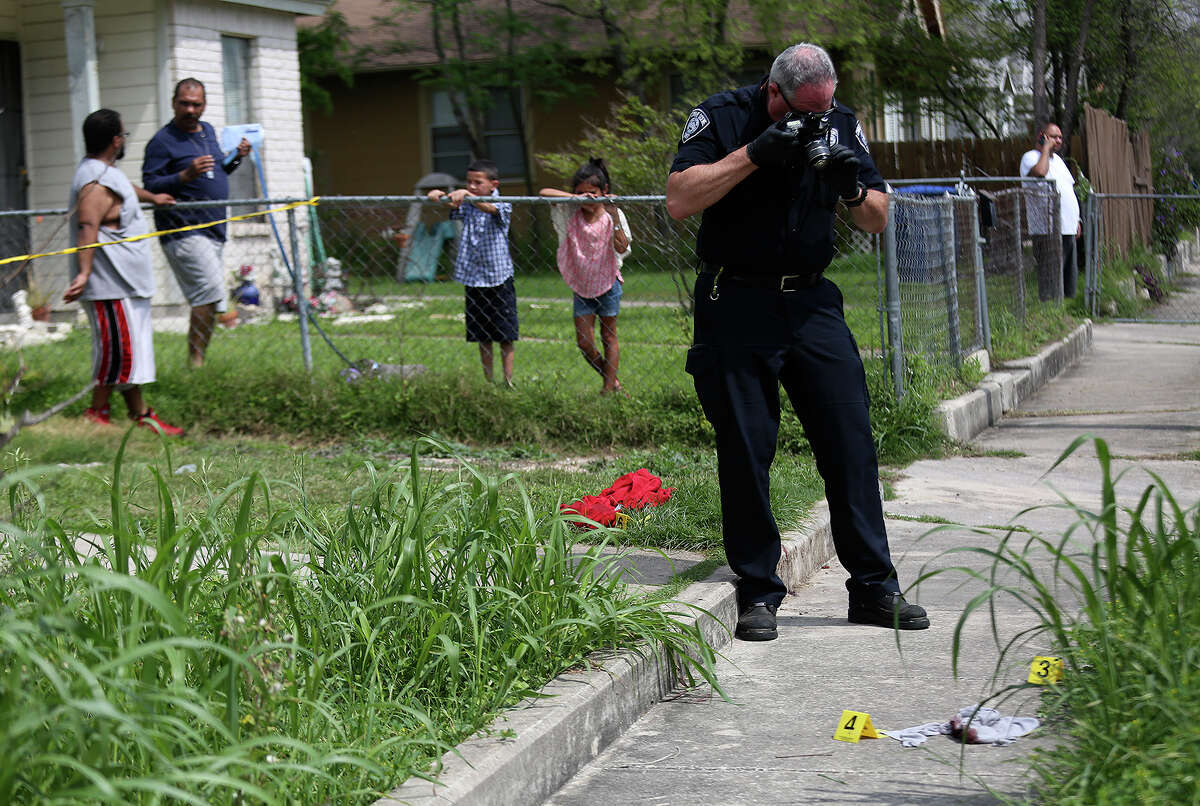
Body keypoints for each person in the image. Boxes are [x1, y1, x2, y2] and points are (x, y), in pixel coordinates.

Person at [667, 42, 929, 641]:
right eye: (805, 111)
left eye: (825, 107)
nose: (817, 119)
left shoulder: (840, 121)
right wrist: (754, 155)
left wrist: (851, 189)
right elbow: (679, 198)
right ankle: (759, 591)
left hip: (811, 302)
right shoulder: (724, 115)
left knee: (850, 441)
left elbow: (879, 218)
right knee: (746, 447)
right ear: (774, 91)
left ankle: (873, 587)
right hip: (735, 300)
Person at [63, 108, 184, 436]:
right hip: (109, 284)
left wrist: (152, 197)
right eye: (124, 135)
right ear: (116, 140)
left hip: (126, 285)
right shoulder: (94, 181)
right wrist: (84, 274)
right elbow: (88, 224)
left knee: (129, 353)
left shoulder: (104, 173)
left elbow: (125, 189)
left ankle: (140, 416)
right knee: (116, 352)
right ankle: (96, 413)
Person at [142, 78, 252, 368]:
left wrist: (236, 159)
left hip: (214, 229)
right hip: (183, 228)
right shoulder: (162, 142)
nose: (191, 109)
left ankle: (199, 361)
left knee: (212, 298)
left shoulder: (208, 132)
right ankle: (196, 361)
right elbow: (150, 185)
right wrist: (184, 176)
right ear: (173, 103)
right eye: (185, 103)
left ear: (204, 105)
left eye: (197, 104)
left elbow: (218, 172)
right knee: (210, 292)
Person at [539, 158, 632, 393]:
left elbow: (622, 248)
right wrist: (575, 199)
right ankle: (614, 383)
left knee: (609, 337)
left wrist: (613, 215)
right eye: (581, 193)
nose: (587, 199)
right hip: (581, 286)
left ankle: (608, 388)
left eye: (592, 193)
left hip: (609, 283)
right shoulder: (570, 213)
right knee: (585, 343)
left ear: (604, 191)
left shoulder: (613, 213)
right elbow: (544, 192)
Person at [427, 159, 518, 385]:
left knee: (505, 335)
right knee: (482, 335)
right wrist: (439, 196)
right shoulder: (467, 202)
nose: (472, 186)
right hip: (474, 278)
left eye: (478, 182)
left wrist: (467, 196)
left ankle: (508, 381)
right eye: (469, 182)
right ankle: (488, 381)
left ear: (493, 184)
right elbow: (452, 204)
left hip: (499, 278)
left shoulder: (502, 202)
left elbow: (489, 208)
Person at [1019, 122, 1082, 300]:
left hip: (1067, 227)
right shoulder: (1031, 157)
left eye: (1060, 137)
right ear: (1042, 136)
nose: (1059, 140)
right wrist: (1045, 148)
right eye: (1054, 136)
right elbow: (1040, 172)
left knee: (1068, 278)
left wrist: (1076, 219)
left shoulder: (1059, 162)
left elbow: (1068, 189)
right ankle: (1048, 310)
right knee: (1051, 276)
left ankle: (1064, 312)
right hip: (1047, 228)